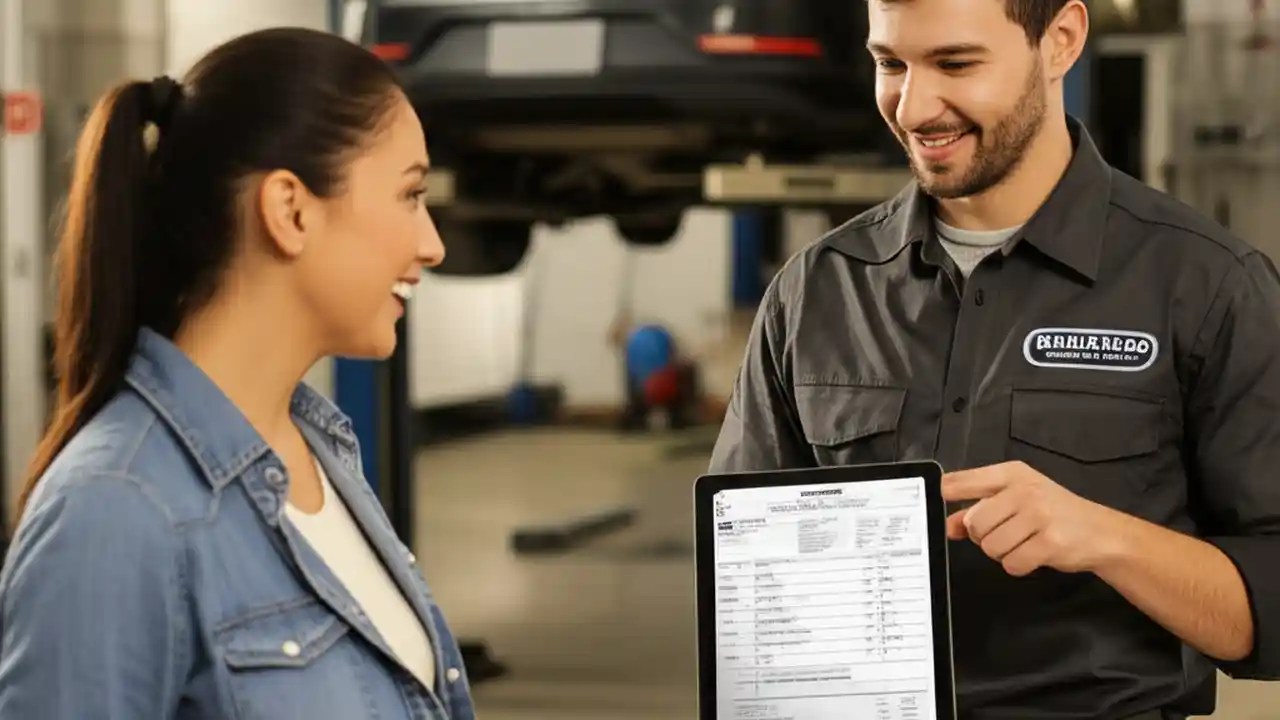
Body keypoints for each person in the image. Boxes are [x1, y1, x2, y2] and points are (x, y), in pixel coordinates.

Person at [710, 1, 1280, 718]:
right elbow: (741, 582)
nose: (913, 107)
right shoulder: (815, 292)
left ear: (1060, 41)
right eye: (890, 64)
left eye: (955, 63)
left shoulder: (1208, 286)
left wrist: (1103, 536)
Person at [0, 27, 475, 720]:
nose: (431, 243)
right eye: (410, 195)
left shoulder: (319, 452)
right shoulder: (113, 514)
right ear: (290, 210)